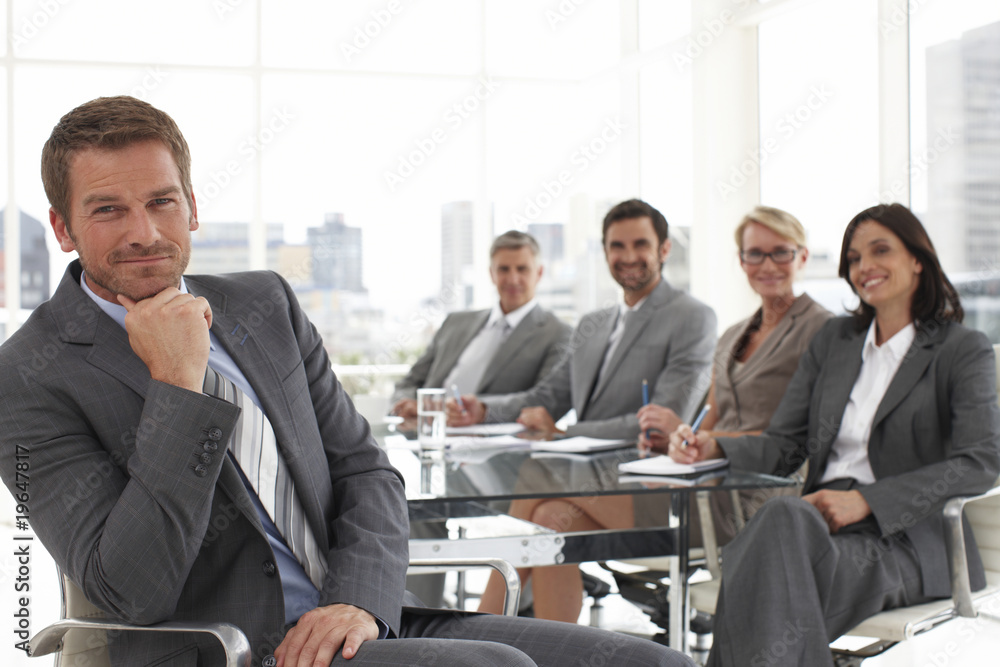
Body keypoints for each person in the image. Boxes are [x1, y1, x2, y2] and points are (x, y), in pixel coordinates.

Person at [0, 96, 692, 667]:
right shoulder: (28, 375)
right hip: (222, 648)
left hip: (355, 624)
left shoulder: (262, 304)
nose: (145, 232)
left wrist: (358, 602)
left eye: (162, 201)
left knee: (661, 663)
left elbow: (366, 471)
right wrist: (179, 388)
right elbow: (126, 591)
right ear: (62, 227)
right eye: (107, 209)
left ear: (193, 207)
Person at [668, 203, 1000, 667]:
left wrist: (868, 501)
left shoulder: (961, 349)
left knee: (762, 574)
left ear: (918, 258)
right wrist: (716, 444)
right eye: (854, 258)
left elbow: (980, 461)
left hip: (907, 542)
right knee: (782, 534)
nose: (864, 267)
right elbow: (785, 446)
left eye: (880, 250)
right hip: (819, 531)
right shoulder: (835, 342)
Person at [465, 199, 716, 622]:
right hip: (588, 485)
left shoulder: (692, 317)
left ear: (665, 249)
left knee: (537, 472)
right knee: (547, 520)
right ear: (605, 252)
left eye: (641, 243)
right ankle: (553, 651)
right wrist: (480, 410)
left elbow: (664, 417)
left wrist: (565, 436)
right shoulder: (592, 324)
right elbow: (547, 397)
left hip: (652, 490)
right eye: (617, 245)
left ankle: (477, 628)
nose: (629, 256)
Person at [638, 205, 832, 542]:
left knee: (552, 510)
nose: (768, 265)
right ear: (741, 261)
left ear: (802, 257)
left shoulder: (822, 329)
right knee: (549, 510)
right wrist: (678, 440)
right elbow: (709, 422)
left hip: (762, 495)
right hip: (708, 484)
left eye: (781, 253)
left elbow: (798, 441)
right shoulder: (731, 335)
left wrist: (709, 442)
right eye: (755, 254)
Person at [390, 230, 570, 418]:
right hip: (427, 431)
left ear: (539, 273)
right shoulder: (454, 322)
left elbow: (547, 401)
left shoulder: (557, 333)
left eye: (522, 269)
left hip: (489, 439)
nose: (512, 279)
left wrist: (484, 410)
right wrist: (409, 406)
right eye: (504, 269)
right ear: (491, 274)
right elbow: (408, 383)